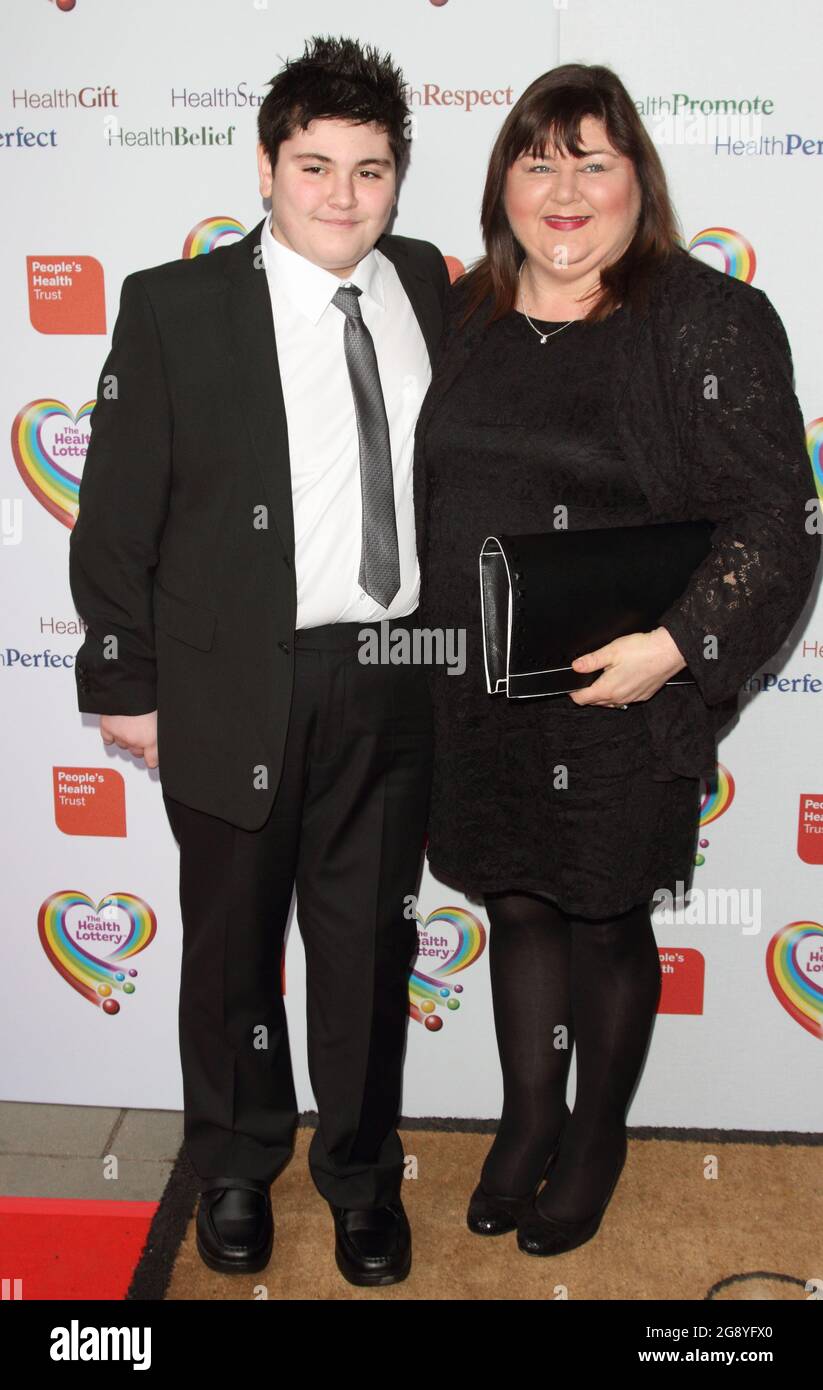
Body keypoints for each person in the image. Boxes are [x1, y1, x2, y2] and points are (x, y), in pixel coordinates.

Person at [413, 63, 821, 1256]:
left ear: (639, 178)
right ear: (501, 183)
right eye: (537, 161)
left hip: (623, 693)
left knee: (600, 915)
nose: (565, 189)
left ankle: (595, 1135)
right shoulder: (465, 314)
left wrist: (676, 648)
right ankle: (528, 1119)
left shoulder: (705, 319)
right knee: (517, 898)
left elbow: (776, 519)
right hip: (481, 691)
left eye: (593, 161)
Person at [69, 35, 451, 1288]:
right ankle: (234, 1164)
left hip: (391, 676)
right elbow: (116, 514)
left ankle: (360, 1175)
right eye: (314, 166)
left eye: (370, 170)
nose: (343, 195)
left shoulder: (423, 282)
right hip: (232, 683)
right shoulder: (175, 306)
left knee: (369, 950)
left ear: (398, 178)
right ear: (266, 166)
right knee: (233, 949)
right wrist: (124, 683)